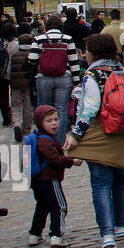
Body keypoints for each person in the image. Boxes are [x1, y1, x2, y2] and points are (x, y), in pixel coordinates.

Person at [65, 34, 124, 248]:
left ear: (94, 53)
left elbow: (90, 109)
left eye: (86, 51)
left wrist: (76, 135)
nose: (84, 55)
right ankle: (121, 223)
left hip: (101, 132)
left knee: (101, 184)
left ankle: (107, 234)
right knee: (121, 179)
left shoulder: (92, 75)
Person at [26, 104, 82, 248]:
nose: (54, 123)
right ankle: (57, 235)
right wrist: (72, 162)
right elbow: (55, 159)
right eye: (49, 121)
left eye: (56, 119)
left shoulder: (40, 137)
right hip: (49, 179)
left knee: (42, 206)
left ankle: (35, 234)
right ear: (40, 122)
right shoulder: (45, 140)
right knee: (59, 206)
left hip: (37, 180)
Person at [28, 15, 81, 148]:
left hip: (43, 78)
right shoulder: (67, 39)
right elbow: (74, 63)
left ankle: (45, 141)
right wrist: (76, 83)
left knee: (44, 108)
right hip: (64, 78)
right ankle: (59, 142)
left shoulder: (38, 39)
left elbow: (32, 60)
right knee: (61, 110)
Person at [9, 25, 36, 141]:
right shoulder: (33, 55)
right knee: (28, 107)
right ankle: (26, 129)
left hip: (16, 84)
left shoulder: (14, 55)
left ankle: (16, 124)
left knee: (16, 106)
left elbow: (9, 70)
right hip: (29, 84)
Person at [0, 23, 17, 131]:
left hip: (0, 73)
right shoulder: (16, 44)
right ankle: (14, 116)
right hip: (13, 73)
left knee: (3, 95)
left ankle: (5, 118)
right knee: (14, 95)